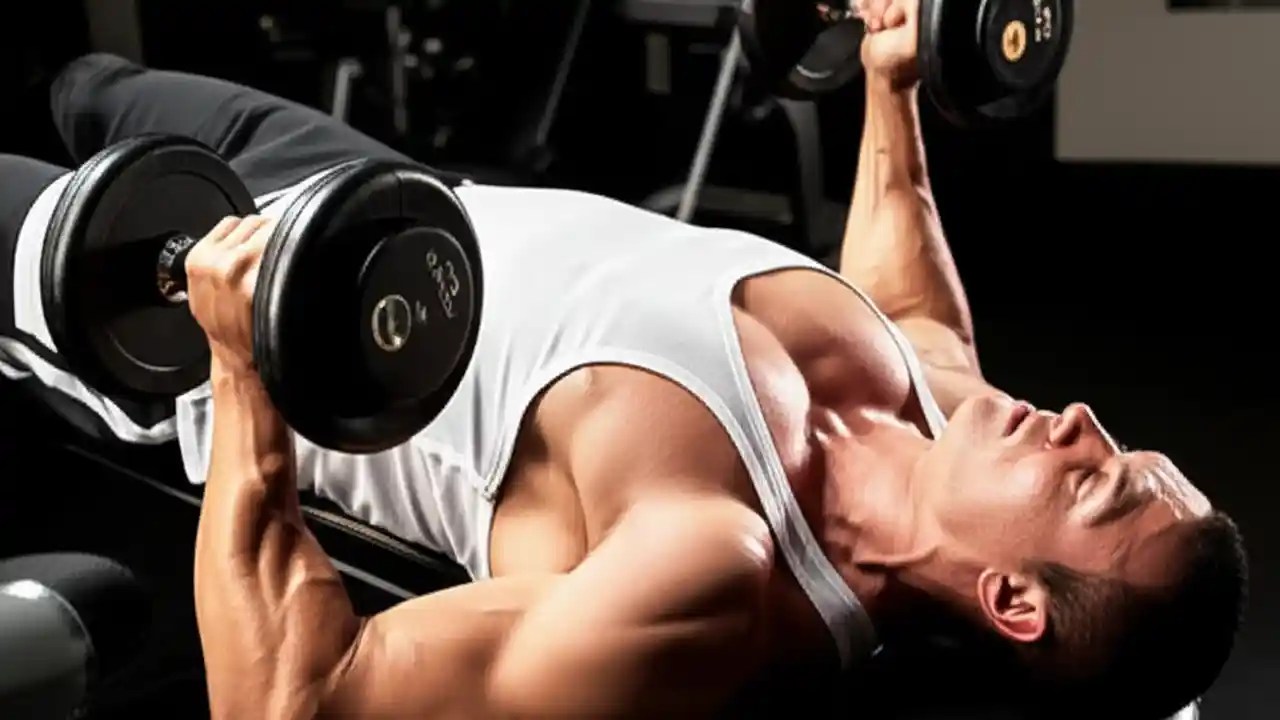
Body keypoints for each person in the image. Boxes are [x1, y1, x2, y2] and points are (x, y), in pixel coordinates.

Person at [0, 1, 1247, 718]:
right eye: (1124, 447)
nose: (1081, 420)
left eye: (1096, 485)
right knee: (79, 77)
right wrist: (889, 92)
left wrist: (237, 365)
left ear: (1012, 603)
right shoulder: (937, 407)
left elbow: (296, 699)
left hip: (201, 309)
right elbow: (912, 304)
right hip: (384, 195)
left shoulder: (708, 573)